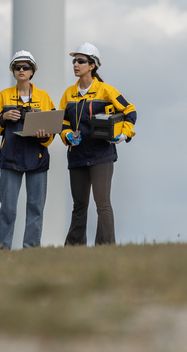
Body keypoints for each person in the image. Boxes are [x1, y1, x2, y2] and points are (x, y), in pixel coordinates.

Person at [59, 42, 137, 246]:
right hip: (77, 156)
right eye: (74, 60)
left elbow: (130, 110)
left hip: (101, 156)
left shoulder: (106, 90)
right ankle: (74, 248)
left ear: (92, 65)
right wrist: (67, 135)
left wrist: (124, 134)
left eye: (80, 61)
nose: (75, 64)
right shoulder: (68, 94)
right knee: (79, 205)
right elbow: (62, 122)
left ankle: (105, 247)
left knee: (102, 204)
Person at [0, 50, 56, 249]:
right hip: (11, 159)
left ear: (32, 71)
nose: (21, 70)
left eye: (25, 67)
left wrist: (46, 136)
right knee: (8, 208)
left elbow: (53, 127)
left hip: (37, 158)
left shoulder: (44, 97)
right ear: (13, 71)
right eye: (17, 67)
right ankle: (2, 249)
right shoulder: (4, 96)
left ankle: (31, 250)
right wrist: (3, 118)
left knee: (35, 208)